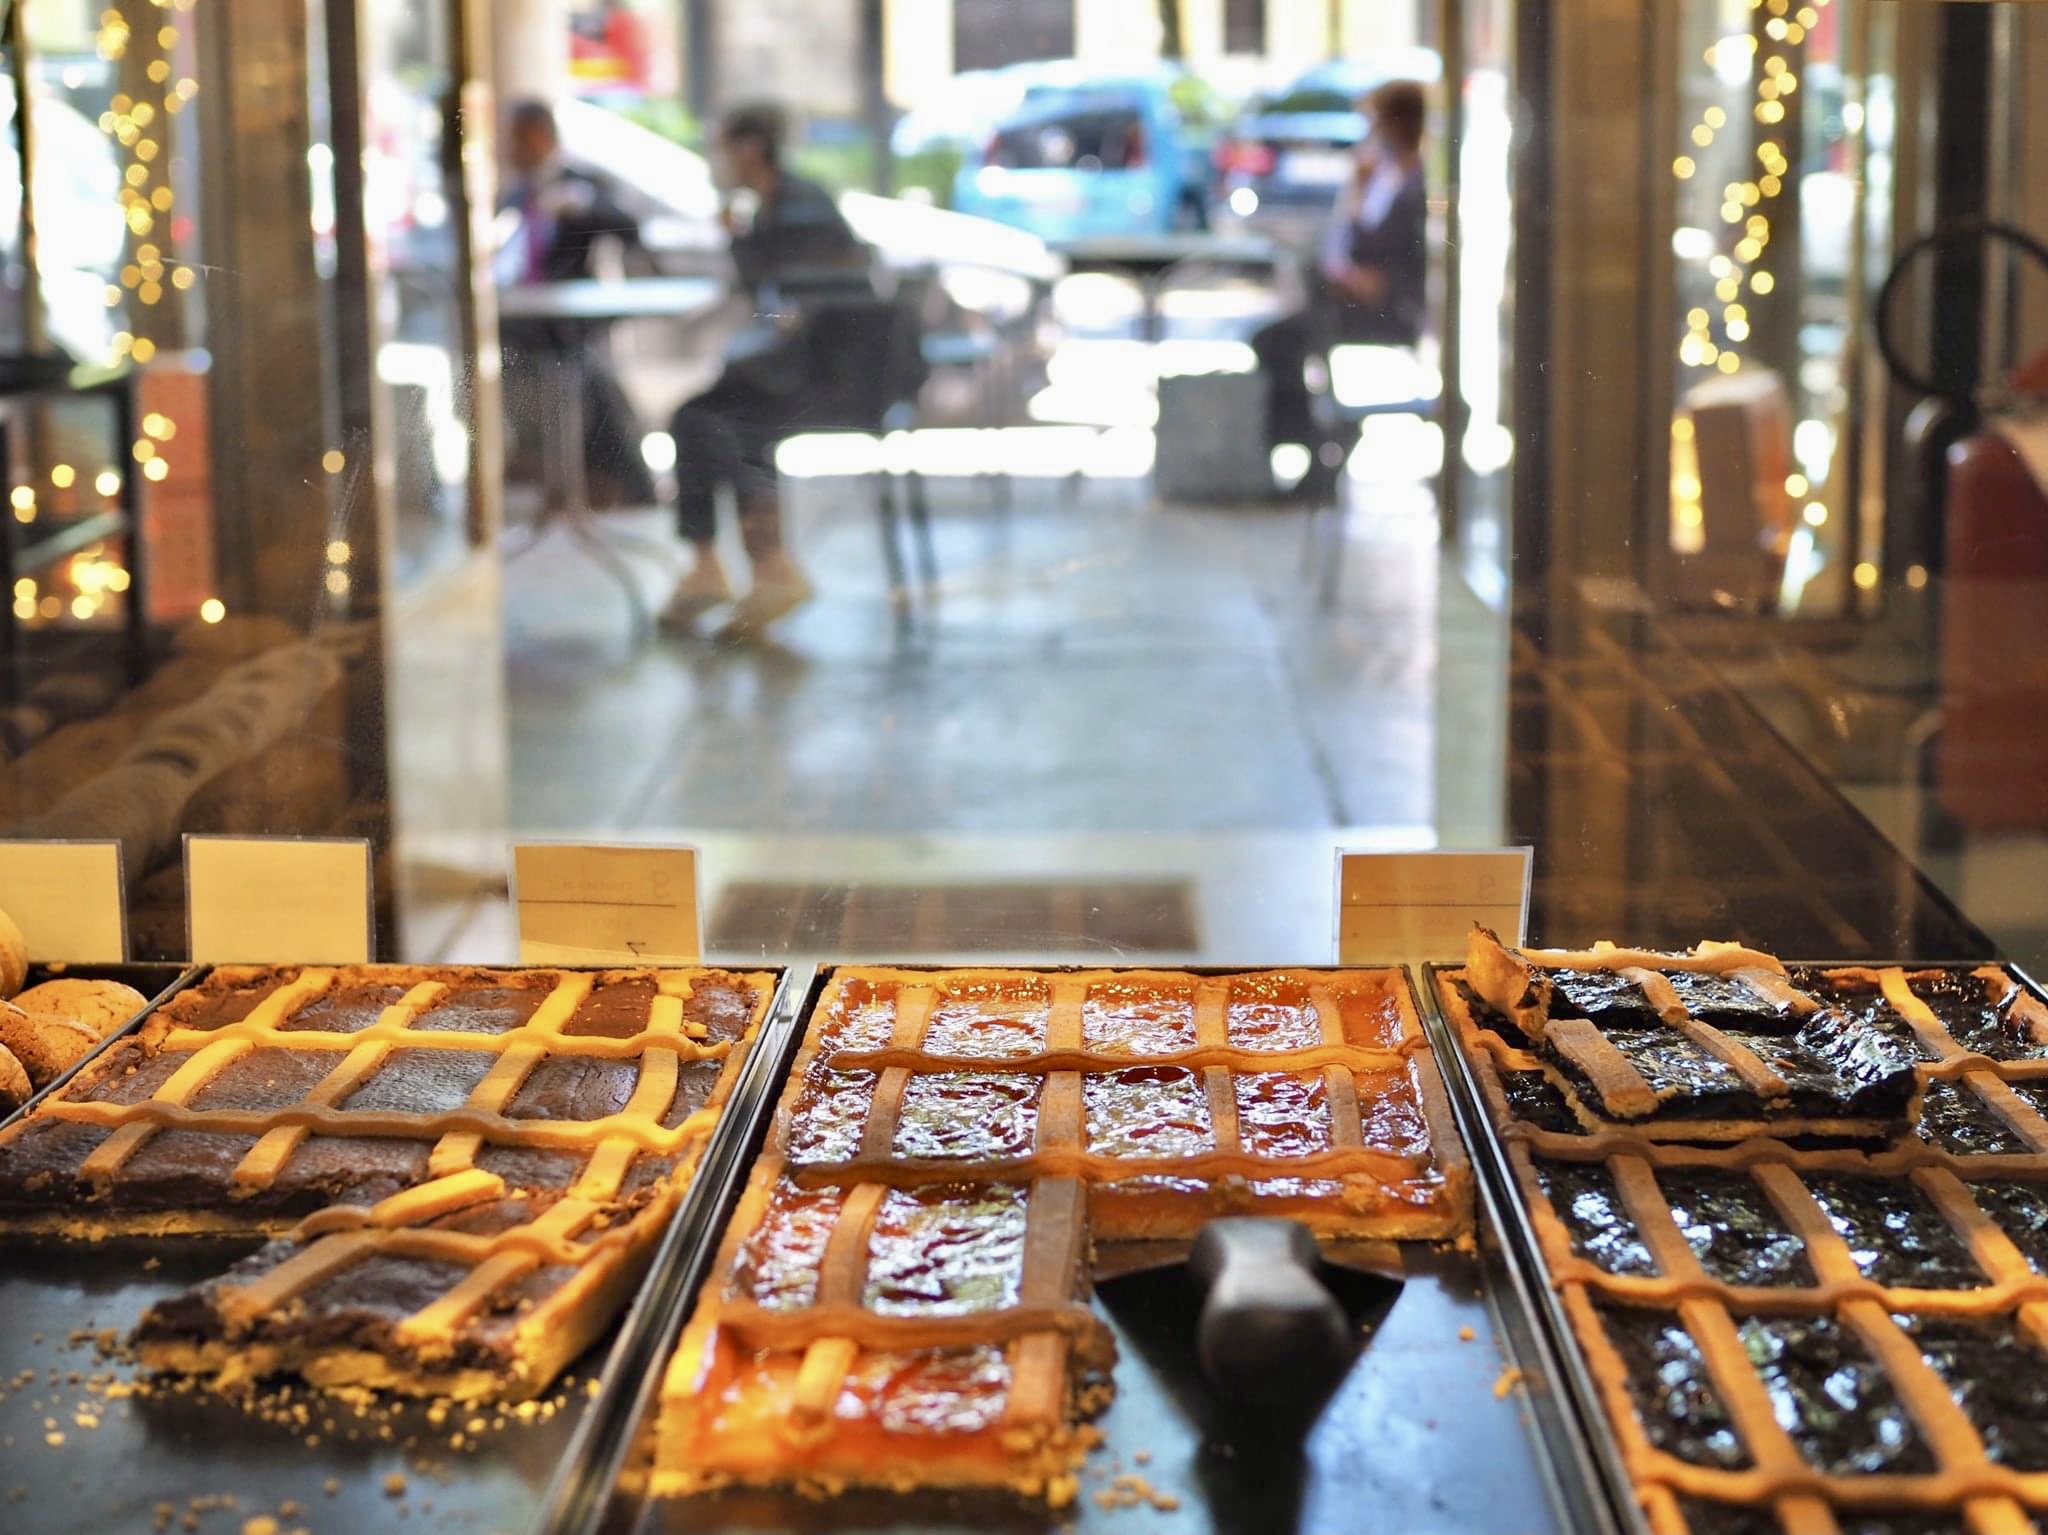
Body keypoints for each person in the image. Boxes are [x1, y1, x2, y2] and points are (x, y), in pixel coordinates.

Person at [662, 102, 872, 638]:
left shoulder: (799, 206)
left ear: (751, 146)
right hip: (811, 366)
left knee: (712, 420)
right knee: (703, 417)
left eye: (724, 145)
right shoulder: (780, 205)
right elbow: (775, 299)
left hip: (834, 375)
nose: (719, 159)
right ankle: (734, 568)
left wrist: (743, 241)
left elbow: (789, 305)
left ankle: (747, 569)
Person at [1249, 80, 1428, 496]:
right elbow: (1349, 237)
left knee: (1278, 342)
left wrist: (1369, 282)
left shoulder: (1414, 185)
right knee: (1278, 338)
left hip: (1388, 310)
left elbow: (1408, 261)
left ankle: (1318, 445)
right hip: (1354, 298)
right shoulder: (1381, 178)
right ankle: (1315, 442)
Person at [499, 98, 654, 507]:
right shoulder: (515, 195)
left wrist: (582, 205)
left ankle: (595, 481)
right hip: (523, 321)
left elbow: (629, 229)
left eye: (519, 139)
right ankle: (546, 474)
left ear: (542, 138)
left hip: (570, 324)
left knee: (586, 387)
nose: (511, 149)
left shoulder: (581, 185)